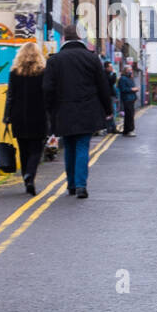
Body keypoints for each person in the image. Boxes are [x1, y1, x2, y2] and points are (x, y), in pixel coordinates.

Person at [43, 27, 113, 200]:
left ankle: (71, 184)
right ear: (80, 37)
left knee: (69, 147)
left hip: (63, 110)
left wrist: (49, 110)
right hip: (87, 110)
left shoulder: (55, 60)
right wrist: (108, 110)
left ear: (64, 38)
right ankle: (81, 185)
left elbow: (47, 88)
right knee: (82, 146)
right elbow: (103, 86)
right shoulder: (92, 58)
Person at [4, 43, 51, 196]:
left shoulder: (14, 72)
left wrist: (7, 116)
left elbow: (10, 96)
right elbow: (46, 95)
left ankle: (26, 180)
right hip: (38, 115)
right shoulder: (43, 72)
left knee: (23, 150)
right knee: (36, 149)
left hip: (18, 116)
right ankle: (30, 175)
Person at [118, 65, 140, 137]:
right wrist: (132, 89)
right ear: (125, 70)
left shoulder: (129, 78)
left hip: (131, 98)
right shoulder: (123, 79)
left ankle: (126, 130)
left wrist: (135, 89)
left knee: (129, 115)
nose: (131, 70)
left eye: (131, 69)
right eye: (129, 69)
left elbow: (131, 87)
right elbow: (123, 89)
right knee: (129, 115)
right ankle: (130, 130)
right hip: (127, 99)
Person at [103, 61, 120, 134]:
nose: (111, 68)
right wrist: (115, 74)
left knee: (111, 112)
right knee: (111, 112)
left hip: (110, 96)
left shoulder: (108, 74)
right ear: (106, 68)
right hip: (108, 96)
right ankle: (111, 128)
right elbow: (111, 81)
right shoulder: (105, 75)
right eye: (110, 67)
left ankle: (111, 128)